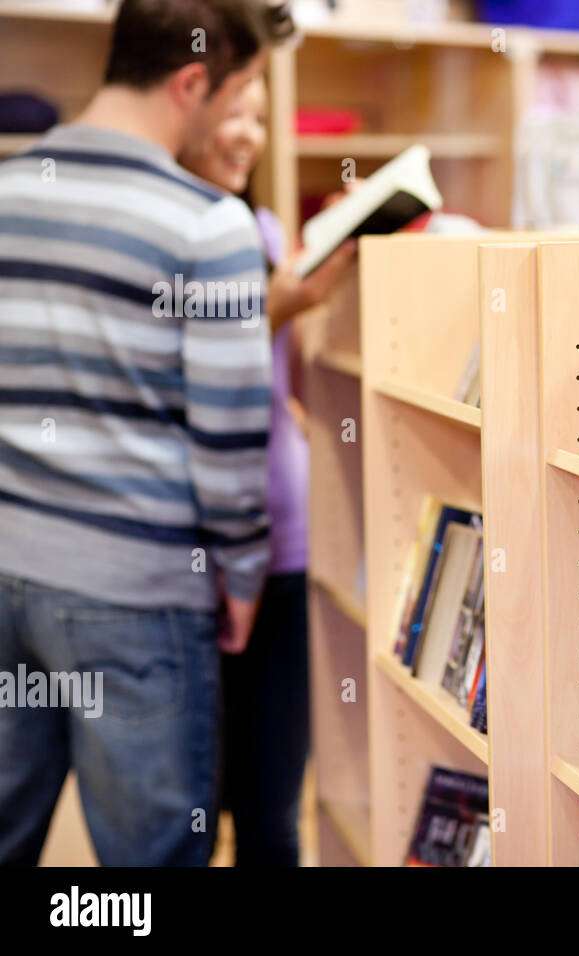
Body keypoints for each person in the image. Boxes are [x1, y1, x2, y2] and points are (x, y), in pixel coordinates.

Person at [0, 0, 293, 866]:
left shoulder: (10, 187)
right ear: (192, 80)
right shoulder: (209, 224)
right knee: (151, 865)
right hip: (138, 597)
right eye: (239, 92)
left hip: (10, 566)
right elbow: (228, 442)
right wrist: (242, 573)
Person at [177, 75, 354, 866]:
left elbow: (277, 386)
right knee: (186, 812)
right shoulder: (165, 235)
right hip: (189, 558)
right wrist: (274, 310)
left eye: (259, 117)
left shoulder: (269, 229)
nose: (248, 135)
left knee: (273, 812)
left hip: (286, 546)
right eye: (232, 115)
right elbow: (174, 388)